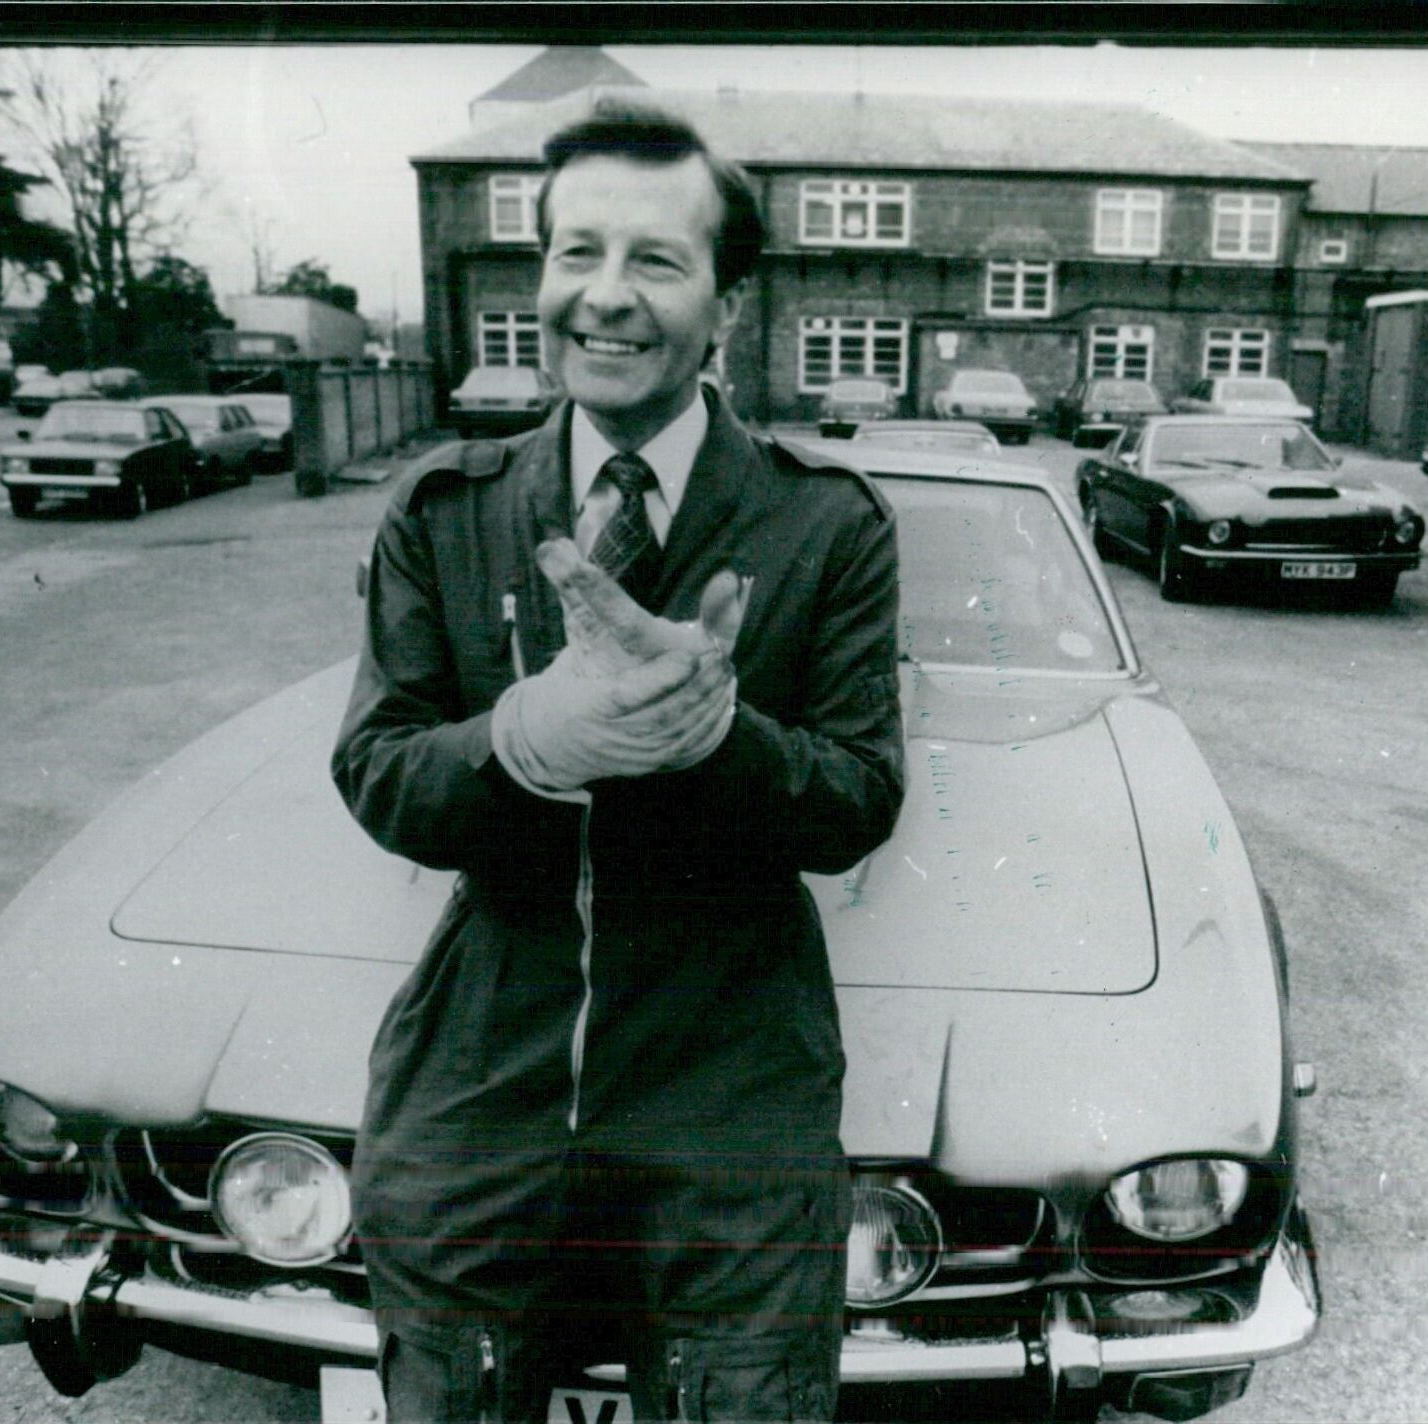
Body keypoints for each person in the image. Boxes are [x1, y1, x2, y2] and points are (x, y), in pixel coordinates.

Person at [331, 103, 906, 1423]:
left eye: (655, 261)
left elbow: (857, 798)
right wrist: (524, 740)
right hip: (482, 1075)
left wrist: (717, 739)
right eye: (574, 253)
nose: (604, 297)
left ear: (727, 306)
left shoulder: (827, 524)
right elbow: (379, 773)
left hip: (733, 1088)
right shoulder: (448, 511)